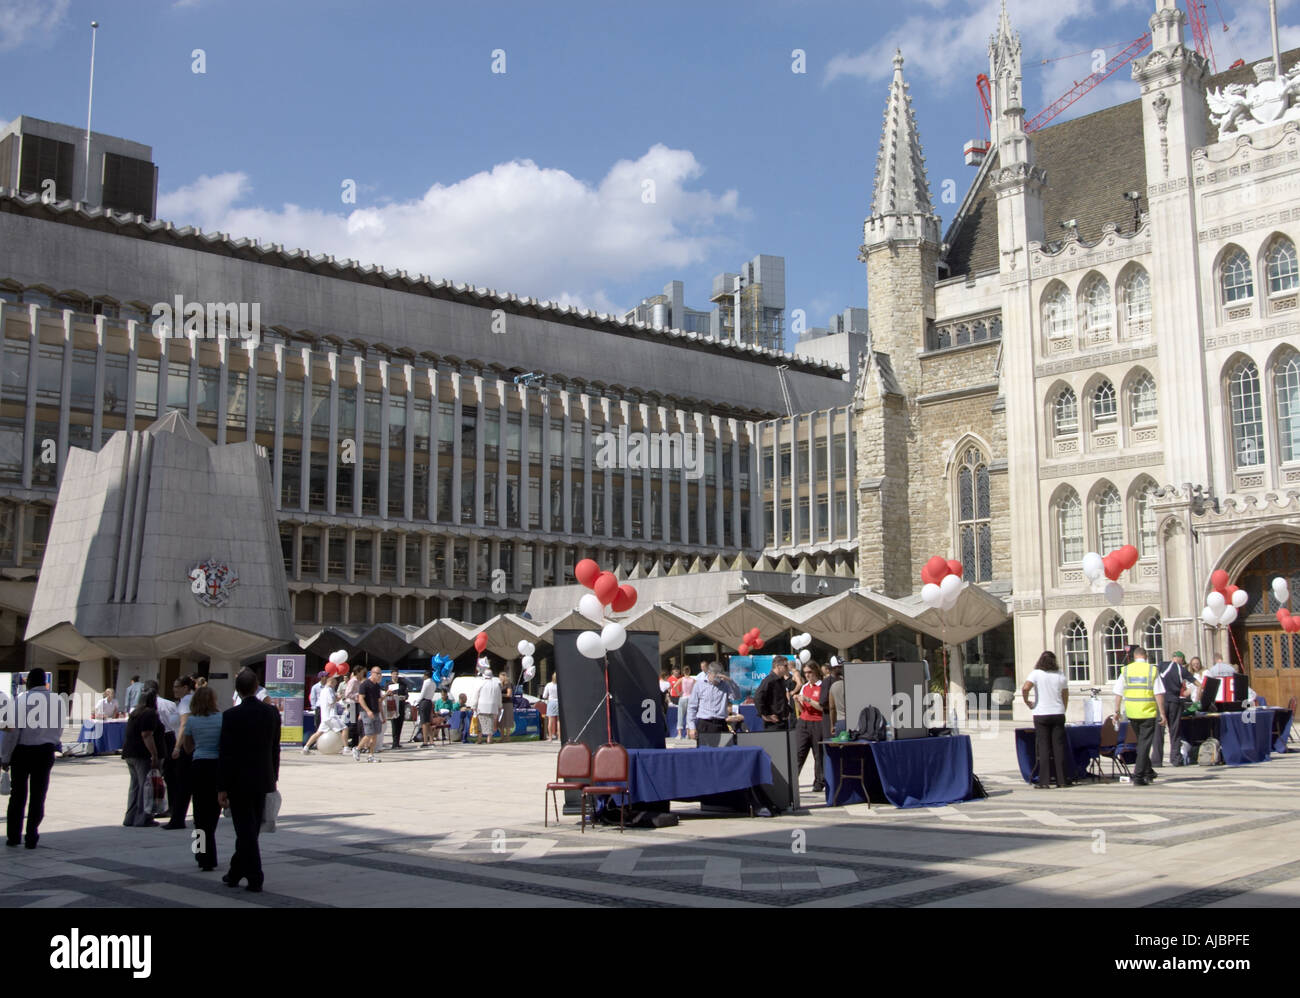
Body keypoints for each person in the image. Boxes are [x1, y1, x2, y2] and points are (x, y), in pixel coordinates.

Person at [218, 668, 281, 892]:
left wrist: (223, 786)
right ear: (257, 688)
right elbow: (275, 748)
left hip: (238, 779)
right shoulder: (271, 713)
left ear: (238, 690)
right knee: (250, 830)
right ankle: (235, 872)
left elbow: (225, 753)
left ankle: (255, 876)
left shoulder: (230, 716)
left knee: (245, 830)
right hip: (263, 777)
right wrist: (274, 777)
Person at [2, 669, 67, 849]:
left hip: (22, 752)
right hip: (45, 752)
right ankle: (32, 835)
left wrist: (5, 757)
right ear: (44, 682)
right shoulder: (58, 701)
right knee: (38, 795)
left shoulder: (22, 700)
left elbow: (11, 732)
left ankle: (14, 836)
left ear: (29, 681)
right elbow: (59, 727)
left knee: (18, 795)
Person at [1112, 645, 1167, 787]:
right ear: (1146, 656)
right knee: (1144, 745)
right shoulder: (1152, 670)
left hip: (1132, 712)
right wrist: (1162, 713)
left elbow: (1118, 693)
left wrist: (1116, 711)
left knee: (1142, 744)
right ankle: (1138, 775)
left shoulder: (1126, 670)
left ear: (1134, 656)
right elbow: (1158, 693)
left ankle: (1148, 771)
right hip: (1147, 711)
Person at [182, 685, 223, 871]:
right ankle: (210, 855)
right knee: (213, 814)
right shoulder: (221, 718)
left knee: (199, 815)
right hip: (216, 766)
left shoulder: (191, 721)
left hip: (198, 765)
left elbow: (188, 747)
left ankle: (200, 853)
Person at [1022, 651, 1070, 789]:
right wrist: (1063, 708)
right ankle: (1061, 779)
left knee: (1043, 747)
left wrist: (1027, 701)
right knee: (1059, 747)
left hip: (1041, 713)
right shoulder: (1060, 675)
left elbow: (1025, 687)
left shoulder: (1036, 674)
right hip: (1058, 712)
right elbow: (1065, 694)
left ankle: (1044, 781)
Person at [121, 688, 165, 827]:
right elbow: (146, 735)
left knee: (134, 786)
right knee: (145, 787)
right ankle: (143, 818)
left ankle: (130, 817)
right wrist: (154, 754)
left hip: (130, 753)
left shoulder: (135, 713)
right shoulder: (150, 713)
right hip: (142, 754)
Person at [163, 676, 196, 830]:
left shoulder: (186, 702)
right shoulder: (187, 701)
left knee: (182, 784)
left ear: (185, 687)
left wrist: (177, 747)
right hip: (186, 746)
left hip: (184, 747)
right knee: (186, 784)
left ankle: (177, 818)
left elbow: (184, 725)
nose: (174, 689)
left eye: (177, 686)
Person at [1155, 651, 1194, 767]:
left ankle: (1156, 760)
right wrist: (1201, 686)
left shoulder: (1161, 665)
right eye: (1183, 661)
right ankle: (1176, 759)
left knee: (1158, 732)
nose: (1183, 664)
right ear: (1180, 659)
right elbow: (1195, 681)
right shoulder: (1180, 669)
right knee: (1174, 731)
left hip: (1161, 700)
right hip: (1174, 702)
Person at [794, 662, 826, 793]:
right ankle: (793, 780)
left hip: (818, 722)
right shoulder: (805, 686)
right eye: (805, 673)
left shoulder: (822, 686)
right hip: (804, 722)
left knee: (818, 754)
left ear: (815, 672)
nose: (807, 675)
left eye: (809, 672)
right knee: (799, 752)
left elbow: (821, 707)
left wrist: (807, 699)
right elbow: (801, 710)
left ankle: (819, 782)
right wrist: (797, 701)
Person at [686, 662, 737, 740]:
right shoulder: (699, 685)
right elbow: (692, 707)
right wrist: (692, 727)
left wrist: (730, 681)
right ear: (709, 673)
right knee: (704, 750)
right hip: (705, 724)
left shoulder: (725, 685)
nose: (717, 679)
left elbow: (736, 696)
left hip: (721, 723)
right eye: (715, 676)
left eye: (719, 677)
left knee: (724, 751)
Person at [302, 675, 343, 753]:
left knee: (319, 732)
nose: (335, 685)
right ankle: (346, 748)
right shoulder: (328, 690)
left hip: (325, 715)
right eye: (335, 683)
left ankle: (306, 747)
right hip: (330, 716)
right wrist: (338, 698)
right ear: (331, 682)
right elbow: (331, 701)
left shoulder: (324, 690)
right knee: (344, 729)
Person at [353, 666, 384, 761]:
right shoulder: (365, 684)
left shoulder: (377, 686)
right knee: (369, 733)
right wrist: (367, 710)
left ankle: (371, 755)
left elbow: (378, 700)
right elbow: (361, 699)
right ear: (372, 673)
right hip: (366, 712)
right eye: (378, 674)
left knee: (375, 734)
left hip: (376, 712)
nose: (379, 676)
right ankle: (357, 749)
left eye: (380, 674)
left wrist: (381, 714)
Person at [755, 657, 792, 730]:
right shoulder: (769, 680)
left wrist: (788, 710)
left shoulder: (781, 680)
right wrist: (765, 715)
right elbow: (758, 697)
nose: (788, 668)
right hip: (773, 723)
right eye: (785, 666)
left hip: (783, 721)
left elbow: (781, 699)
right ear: (778, 666)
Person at [475, 670, 503, 745]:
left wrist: (474, 706)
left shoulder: (480, 683)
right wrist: (500, 706)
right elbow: (499, 697)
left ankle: (479, 739)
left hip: (481, 706)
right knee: (490, 723)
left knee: (480, 723)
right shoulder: (496, 684)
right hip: (492, 706)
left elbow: (476, 696)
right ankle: (489, 739)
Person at [388, 668, 410, 749]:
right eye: (394, 674)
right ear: (391, 675)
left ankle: (397, 742)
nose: (395, 676)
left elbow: (407, 694)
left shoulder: (402, 684)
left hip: (401, 705)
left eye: (396, 674)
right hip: (393, 706)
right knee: (394, 724)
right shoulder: (389, 684)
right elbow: (387, 694)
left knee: (400, 724)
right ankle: (394, 743)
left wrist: (404, 697)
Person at [343, 665, 364, 748]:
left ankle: (355, 742)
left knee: (357, 724)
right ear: (358, 672)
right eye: (362, 672)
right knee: (352, 724)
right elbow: (347, 693)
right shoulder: (353, 681)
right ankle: (350, 741)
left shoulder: (359, 681)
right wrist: (357, 695)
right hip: (352, 704)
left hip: (357, 704)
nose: (363, 674)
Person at [417, 668, 437, 747]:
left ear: (426, 676)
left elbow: (422, 693)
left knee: (424, 722)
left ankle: (425, 741)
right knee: (428, 722)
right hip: (429, 702)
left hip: (424, 702)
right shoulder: (433, 683)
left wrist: (417, 702)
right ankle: (431, 740)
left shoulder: (426, 682)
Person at [827, 663, 847, 736]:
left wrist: (832, 725)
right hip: (856, 722)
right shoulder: (853, 685)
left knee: (842, 746)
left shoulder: (834, 686)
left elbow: (832, 708)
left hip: (840, 721)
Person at [677, 667, 696, 739]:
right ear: (690, 671)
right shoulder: (693, 680)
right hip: (690, 698)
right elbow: (698, 687)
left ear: (683, 672)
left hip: (683, 697)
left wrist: (679, 693)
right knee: (689, 716)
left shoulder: (682, 679)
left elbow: (675, 686)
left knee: (680, 716)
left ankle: (679, 734)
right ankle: (687, 734)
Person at [498, 671, 515, 743]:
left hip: (507, 703)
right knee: (501, 720)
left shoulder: (508, 684)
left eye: (501, 677)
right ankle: (502, 737)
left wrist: (500, 695)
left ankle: (508, 737)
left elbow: (509, 694)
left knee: (507, 720)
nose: (500, 679)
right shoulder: (499, 684)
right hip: (500, 704)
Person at [543, 674, 559, 741]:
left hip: (551, 702)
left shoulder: (548, 685)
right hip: (558, 702)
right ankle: (559, 737)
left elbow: (544, 696)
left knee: (550, 720)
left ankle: (550, 737)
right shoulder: (560, 685)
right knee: (559, 721)